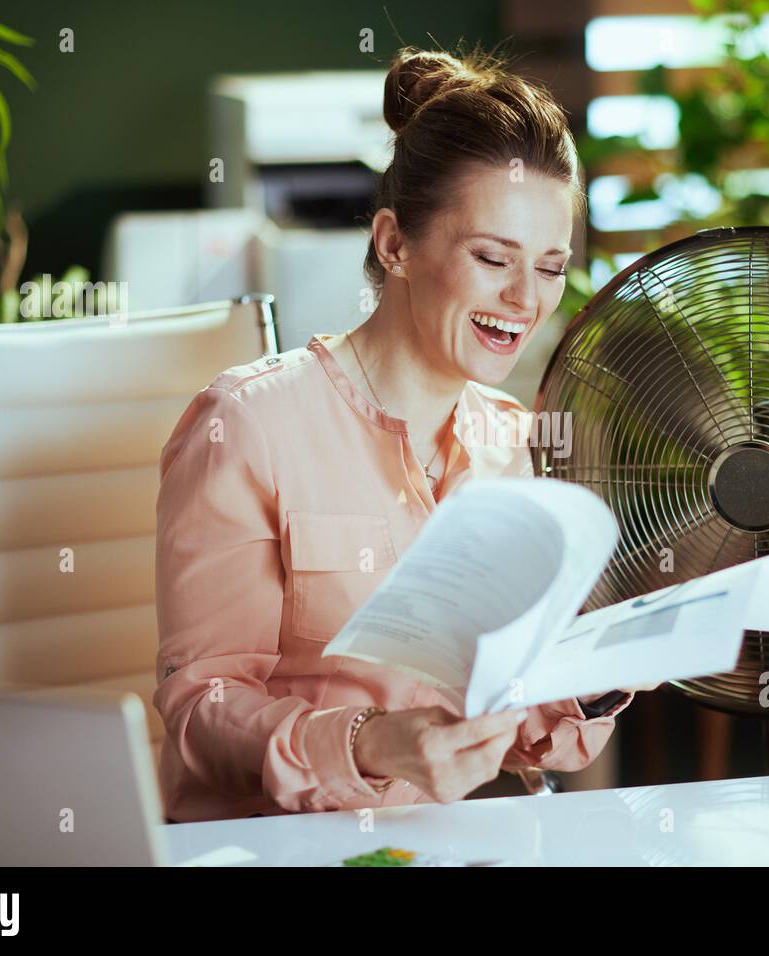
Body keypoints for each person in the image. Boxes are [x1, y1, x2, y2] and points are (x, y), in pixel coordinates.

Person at [152, 45, 656, 824]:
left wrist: (594, 676)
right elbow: (198, 712)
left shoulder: (514, 447)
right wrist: (367, 744)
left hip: (424, 844)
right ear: (395, 245)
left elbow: (516, 725)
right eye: (494, 258)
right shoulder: (248, 425)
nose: (525, 299)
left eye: (551, 267)